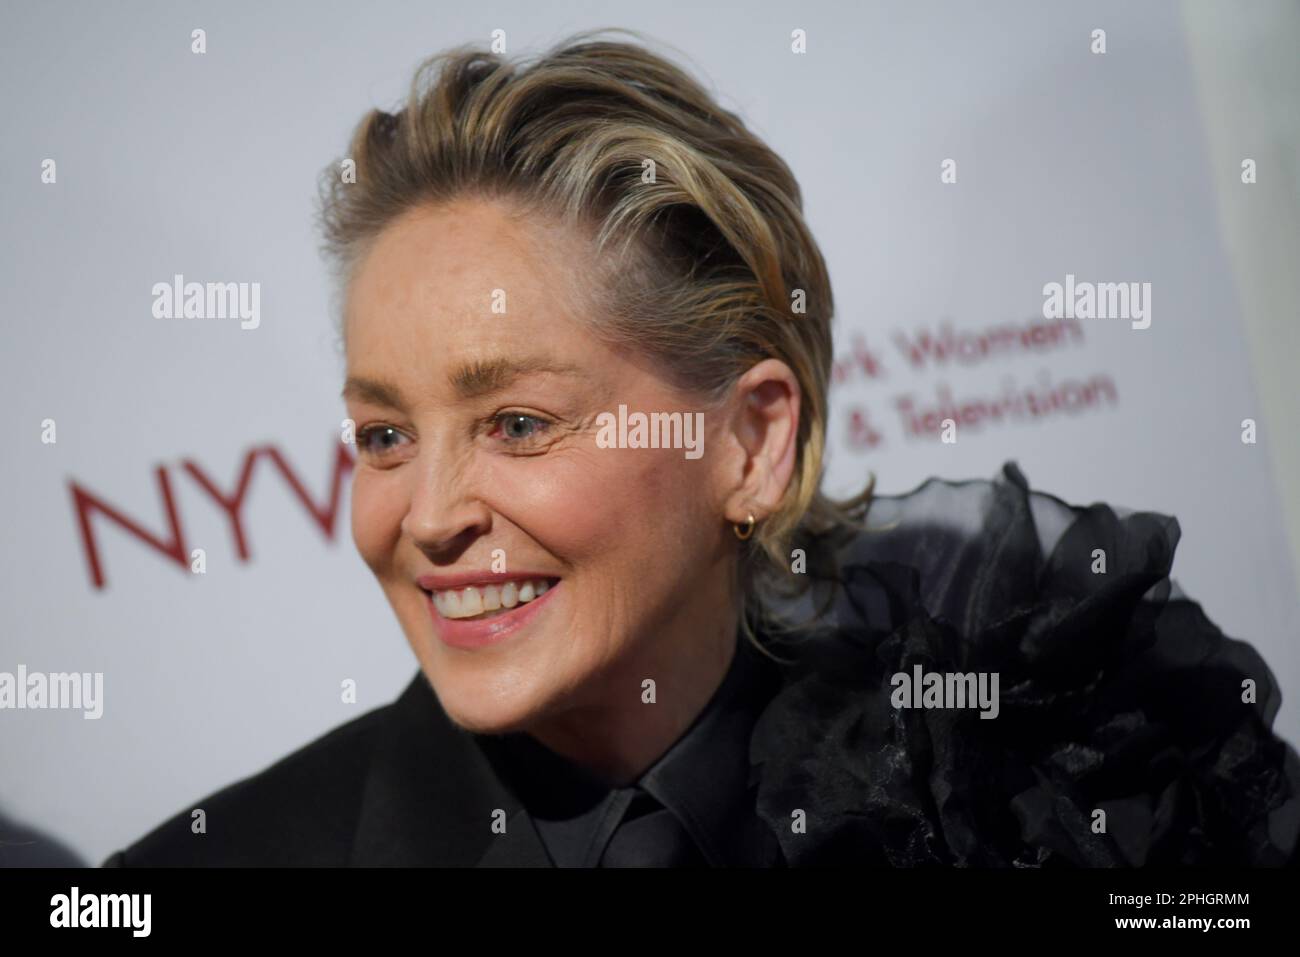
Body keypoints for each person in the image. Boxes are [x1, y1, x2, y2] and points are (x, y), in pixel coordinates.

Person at [104, 30, 1300, 868]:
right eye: (382, 435)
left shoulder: (1041, 778)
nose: (425, 516)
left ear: (749, 442)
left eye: (517, 423)